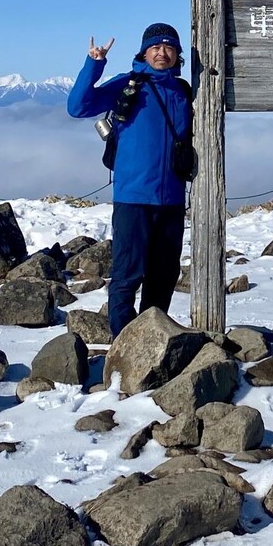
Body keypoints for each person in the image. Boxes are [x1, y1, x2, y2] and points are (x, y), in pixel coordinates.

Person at [67, 22, 192, 337]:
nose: (162, 53)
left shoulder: (184, 91)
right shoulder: (129, 85)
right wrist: (94, 64)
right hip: (133, 197)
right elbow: (77, 107)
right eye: (156, 47)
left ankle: (152, 336)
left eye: (169, 48)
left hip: (173, 199)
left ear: (177, 54)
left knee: (163, 275)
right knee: (127, 274)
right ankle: (123, 343)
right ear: (145, 52)